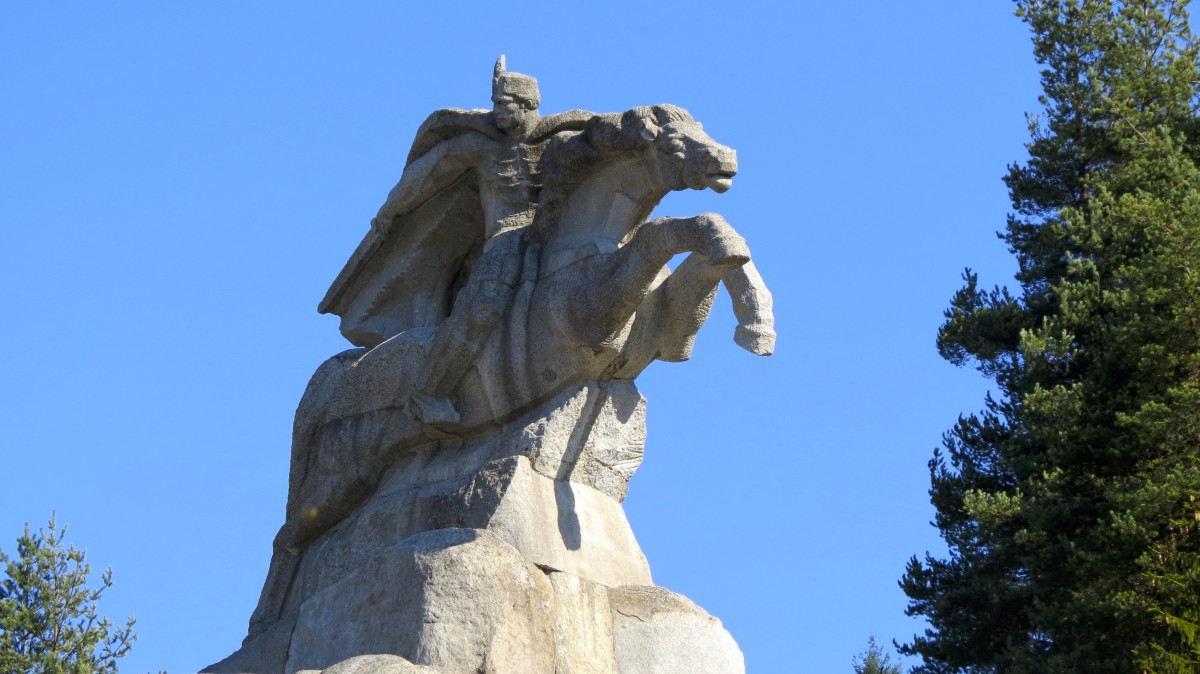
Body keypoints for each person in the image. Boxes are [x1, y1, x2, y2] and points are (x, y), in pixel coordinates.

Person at [372, 56, 559, 432]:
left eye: (505, 105)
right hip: (505, 239)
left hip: (553, 235)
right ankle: (430, 391)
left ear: (527, 105)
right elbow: (427, 175)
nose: (498, 113)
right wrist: (390, 211)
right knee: (483, 305)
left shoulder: (560, 138)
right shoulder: (479, 145)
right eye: (495, 105)